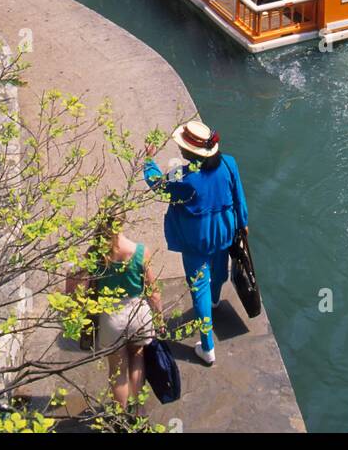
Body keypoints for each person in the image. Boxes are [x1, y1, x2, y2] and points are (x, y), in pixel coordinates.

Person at [144, 120, 248, 366]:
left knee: (198, 287)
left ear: (189, 152)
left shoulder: (185, 176)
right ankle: (215, 298)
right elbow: (239, 197)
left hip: (196, 240)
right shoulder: (229, 163)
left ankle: (207, 347)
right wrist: (242, 223)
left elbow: (159, 186)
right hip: (224, 231)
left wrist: (148, 162)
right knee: (220, 269)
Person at [91, 211, 164, 417]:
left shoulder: (96, 253)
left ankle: (119, 416)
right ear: (123, 221)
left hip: (111, 316)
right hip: (138, 314)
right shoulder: (140, 251)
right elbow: (153, 292)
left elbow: (87, 285)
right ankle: (139, 412)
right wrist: (159, 319)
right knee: (137, 358)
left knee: (117, 370)